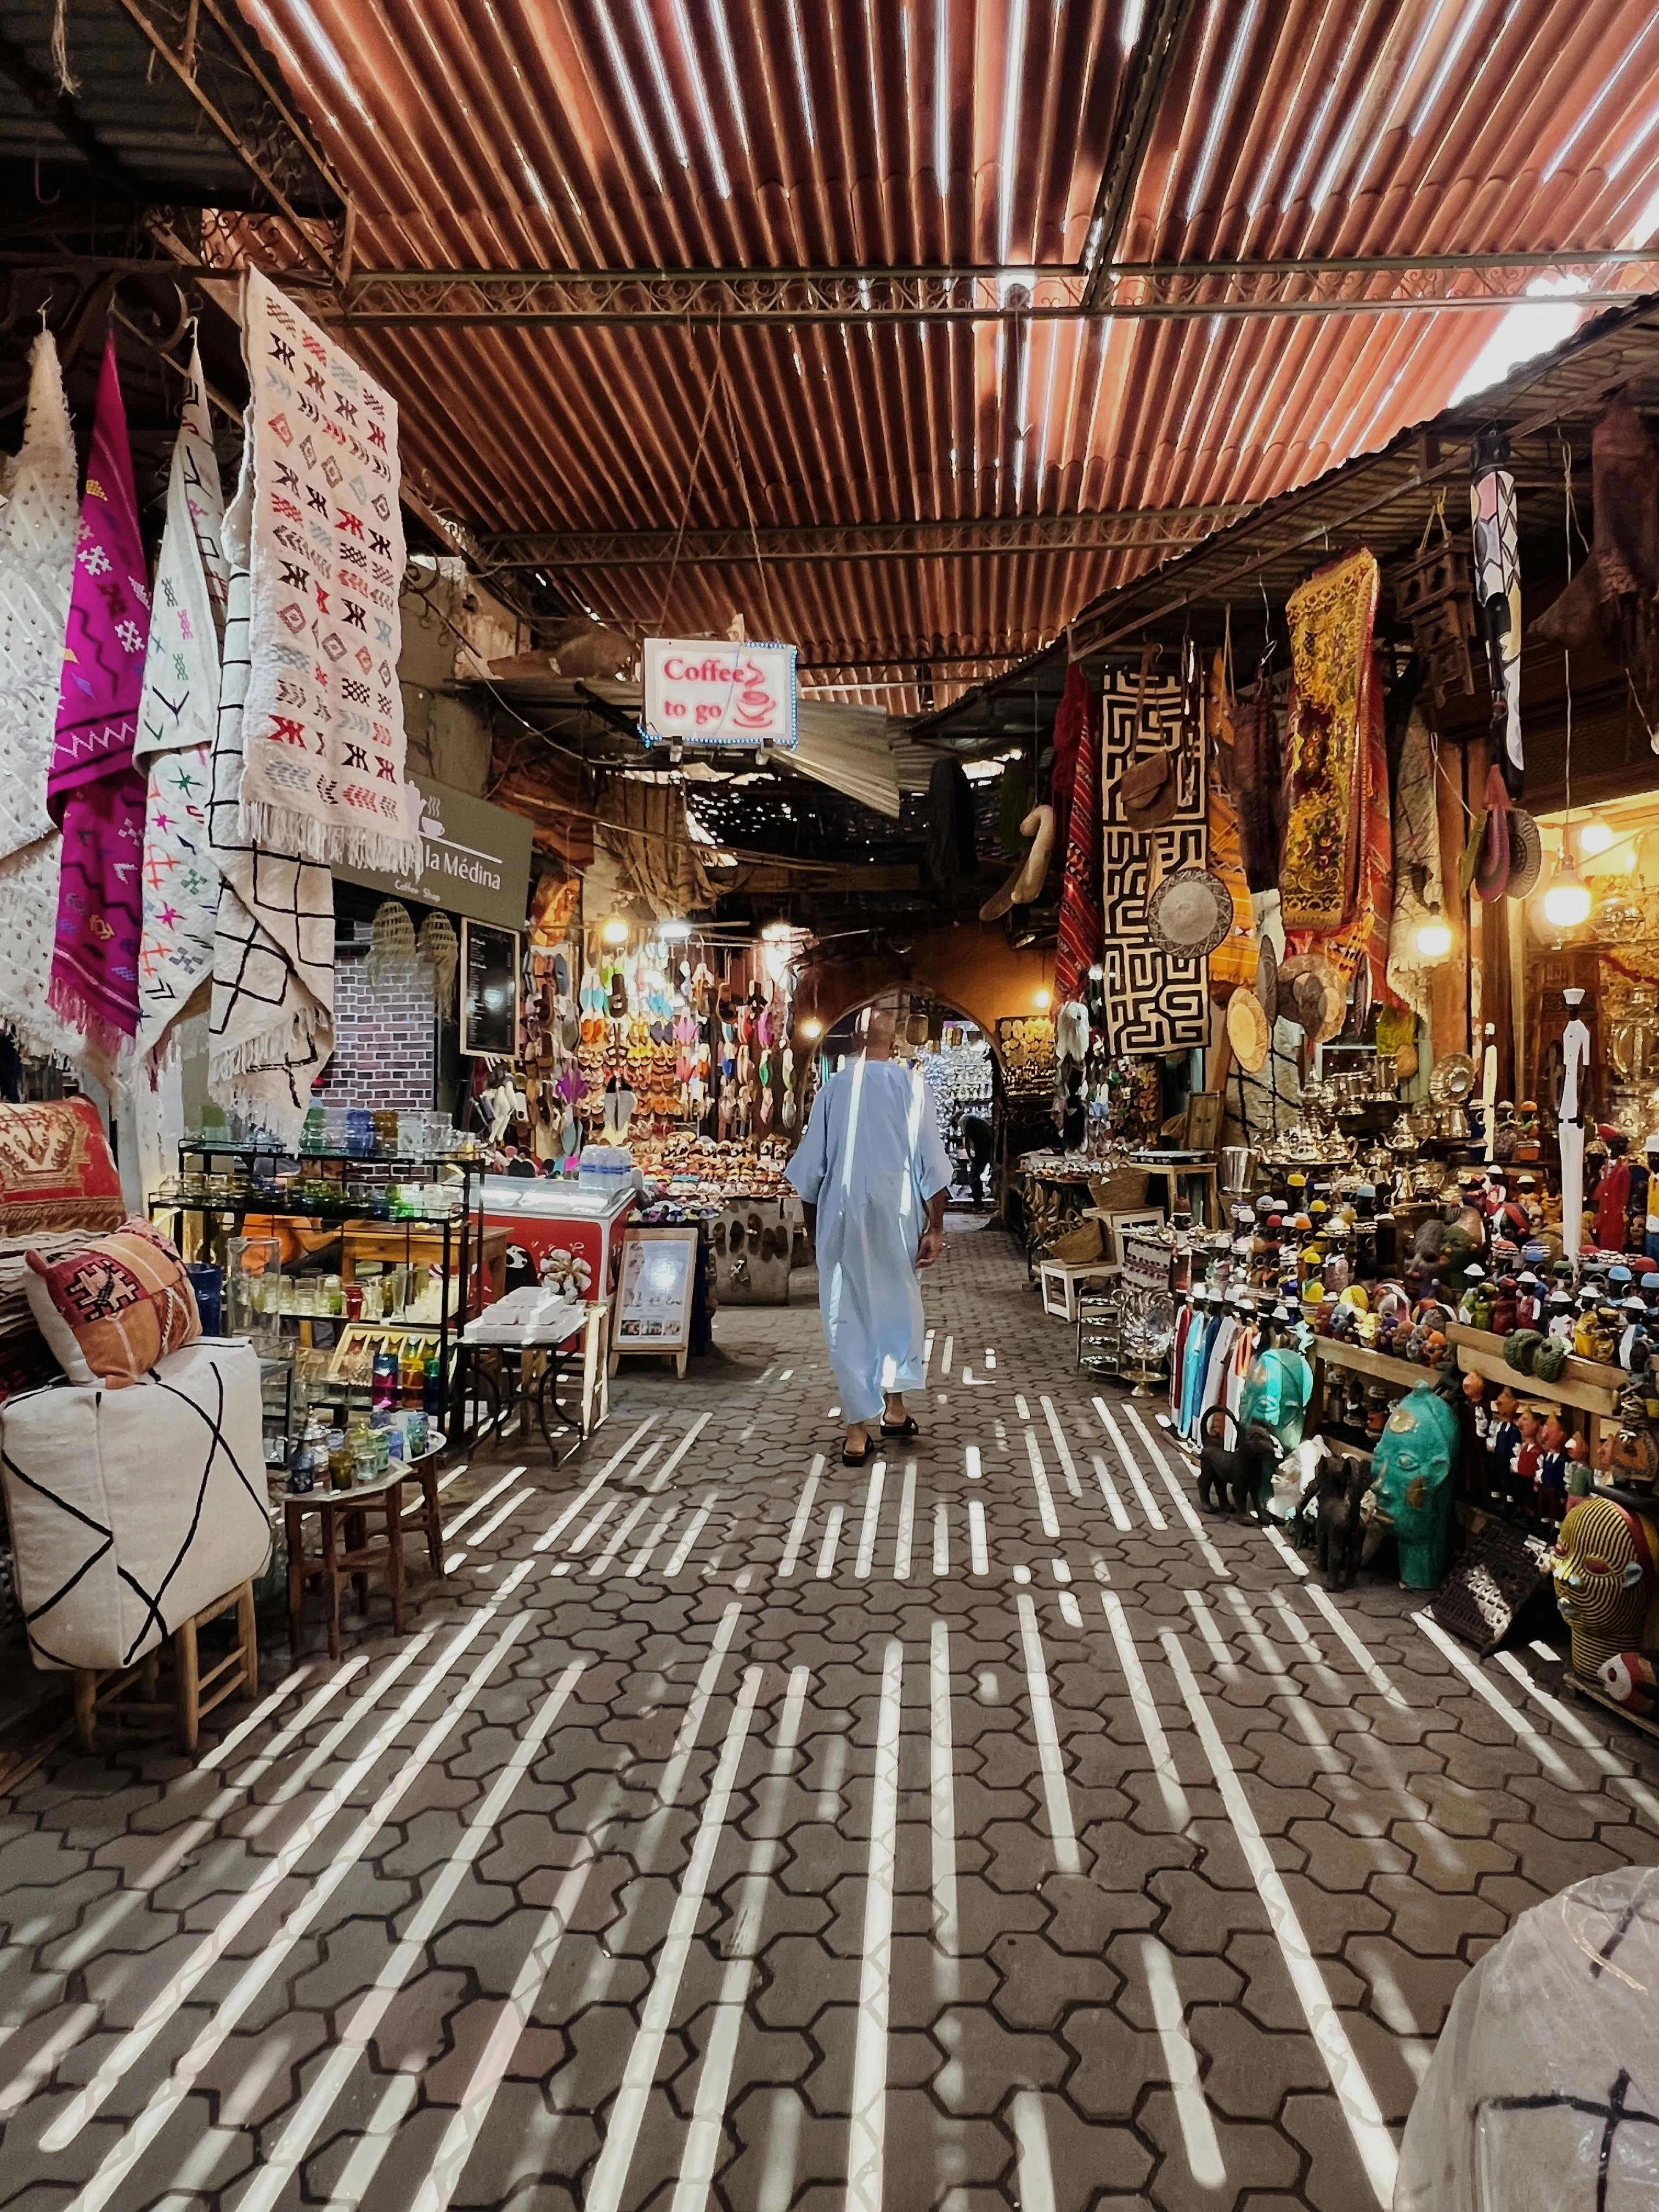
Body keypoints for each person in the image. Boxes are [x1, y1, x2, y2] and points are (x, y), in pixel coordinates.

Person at [786, 1007, 952, 1465]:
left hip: (841, 1218)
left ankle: (857, 1432)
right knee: (898, 1307)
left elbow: (810, 1173)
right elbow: (932, 1166)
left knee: (847, 1316)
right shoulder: (913, 1087)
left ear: (855, 1042)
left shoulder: (833, 1091)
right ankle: (895, 1409)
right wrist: (935, 1227)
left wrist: (814, 1233)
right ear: (895, 1040)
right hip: (896, 1216)